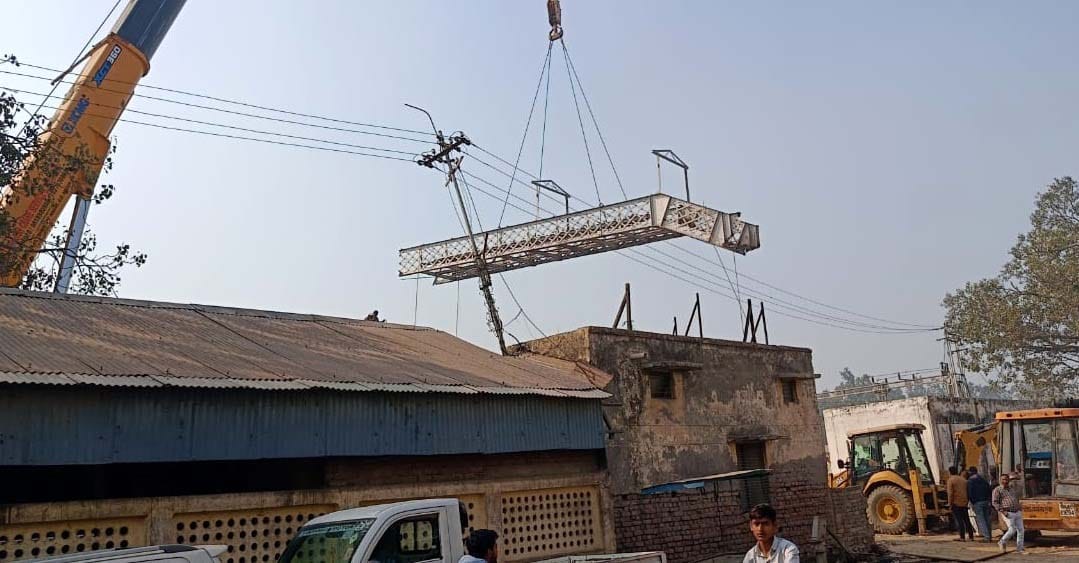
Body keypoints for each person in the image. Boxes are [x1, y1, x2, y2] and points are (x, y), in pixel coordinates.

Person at [992, 474, 1024, 554]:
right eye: (1003, 479)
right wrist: (1003, 512)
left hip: (1017, 511)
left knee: (1021, 530)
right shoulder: (997, 490)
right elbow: (995, 502)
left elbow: (1016, 498)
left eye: (1006, 479)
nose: (1005, 481)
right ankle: (1002, 541)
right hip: (1008, 512)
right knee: (1012, 530)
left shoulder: (1011, 489)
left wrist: (1019, 507)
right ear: (1000, 480)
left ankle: (1020, 548)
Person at [967, 466, 995, 542]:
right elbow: (989, 490)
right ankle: (989, 536)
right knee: (987, 519)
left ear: (970, 472)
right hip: (986, 501)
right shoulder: (983, 480)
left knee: (981, 520)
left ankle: (986, 537)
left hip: (977, 502)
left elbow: (970, 493)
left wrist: (972, 502)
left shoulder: (970, 481)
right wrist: (989, 500)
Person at [946, 466, 974, 541]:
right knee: (966, 520)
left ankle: (962, 537)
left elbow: (950, 493)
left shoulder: (951, 480)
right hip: (964, 502)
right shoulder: (963, 480)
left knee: (959, 520)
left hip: (956, 503)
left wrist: (950, 503)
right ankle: (971, 536)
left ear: (949, 472)